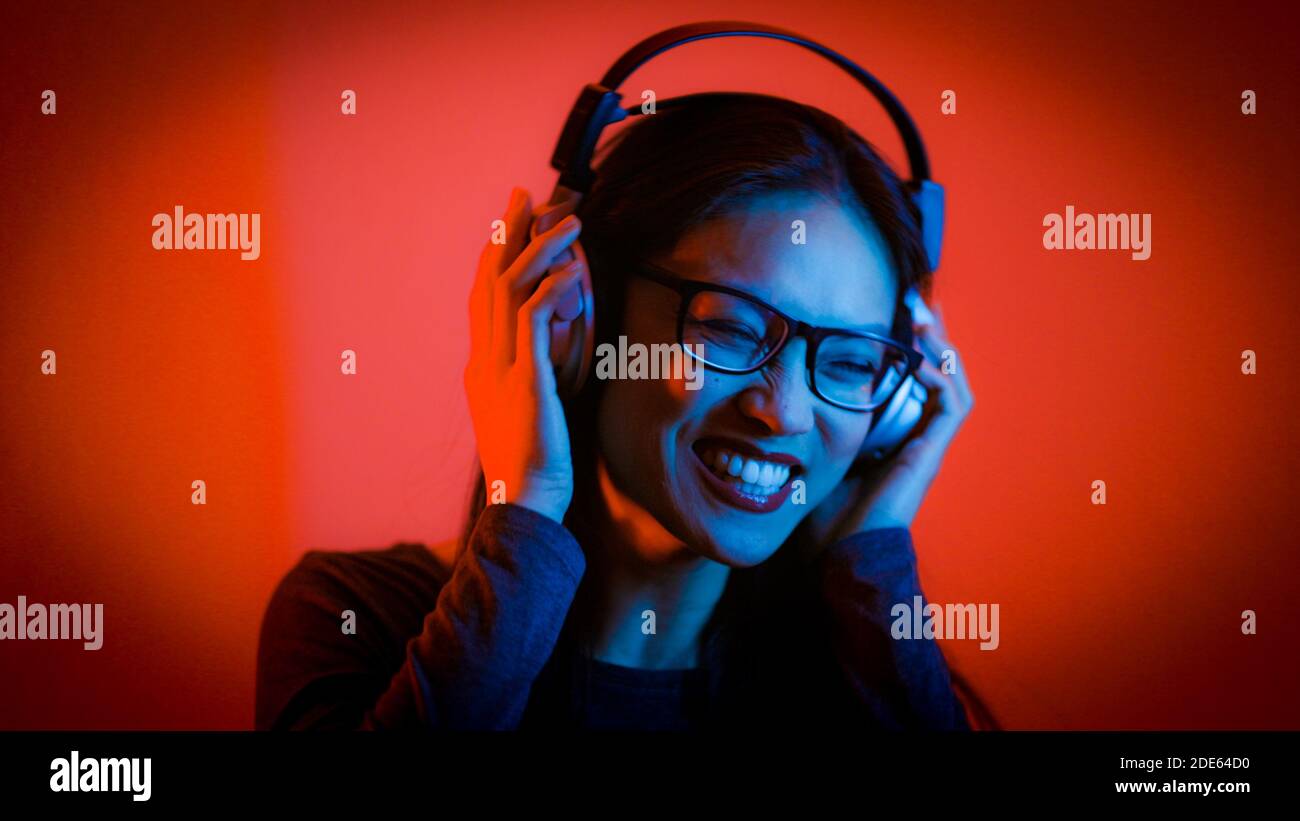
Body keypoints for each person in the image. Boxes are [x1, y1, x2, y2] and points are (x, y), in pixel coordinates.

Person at [255, 93, 983, 730]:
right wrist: (527, 505)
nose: (784, 411)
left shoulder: (857, 669)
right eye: (729, 327)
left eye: (852, 362)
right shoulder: (352, 617)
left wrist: (875, 555)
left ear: (893, 405)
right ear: (585, 312)